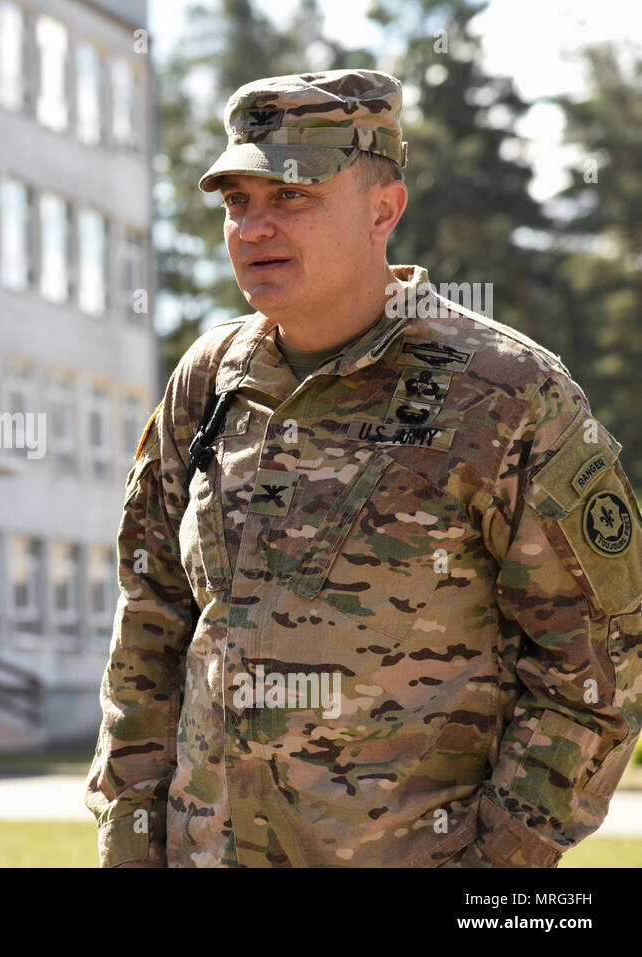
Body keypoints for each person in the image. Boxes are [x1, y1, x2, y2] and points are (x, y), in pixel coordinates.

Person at [85, 69, 642, 867]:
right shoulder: (209, 380)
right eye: (237, 202)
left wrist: (497, 866)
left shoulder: (506, 392)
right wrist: (130, 838)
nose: (252, 227)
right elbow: (153, 620)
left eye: (292, 197)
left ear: (384, 209)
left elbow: (600, 668)